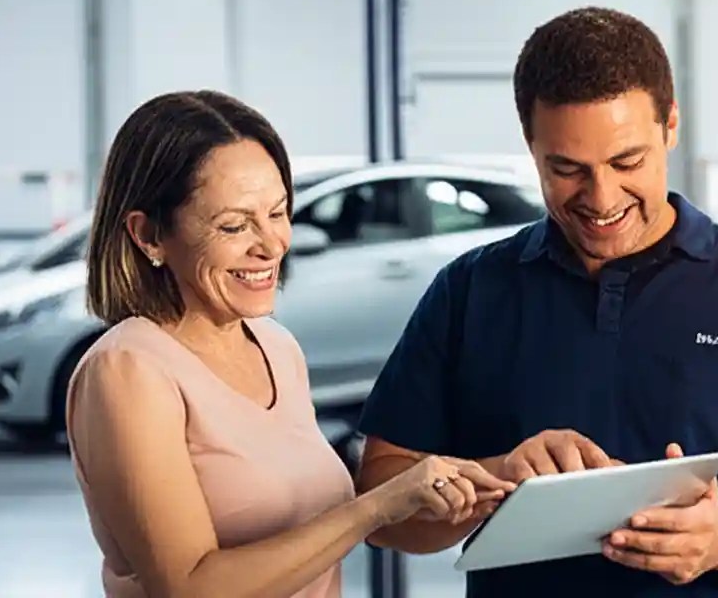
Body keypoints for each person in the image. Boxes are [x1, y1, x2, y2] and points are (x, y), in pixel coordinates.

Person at [355, 6, 718, 597]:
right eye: (566, 169)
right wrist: (497, 476)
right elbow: (380, 508)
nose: (601, 197)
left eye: (627, 161)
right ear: (531, 147)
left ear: (671, 126)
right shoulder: (470, 293)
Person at [66, 90, 514, 598]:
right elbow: (190, 588)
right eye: (233, 225)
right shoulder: (127, 371)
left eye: (277, 214)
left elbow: (317, 540)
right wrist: (372, 508)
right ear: (148, 235)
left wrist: (494, 480)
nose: (271, 244)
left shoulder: (276, 348)